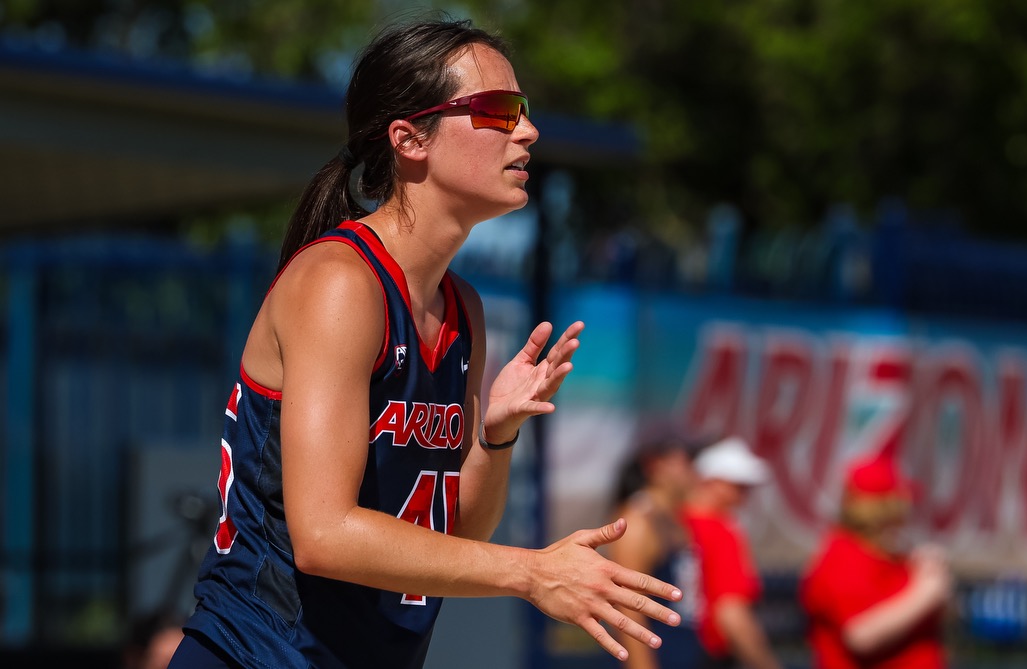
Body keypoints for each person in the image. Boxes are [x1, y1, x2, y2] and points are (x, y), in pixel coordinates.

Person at [169, 17, 682, 669]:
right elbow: (324, 534)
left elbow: (457, 535)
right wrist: (531, 572)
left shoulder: (461, 308)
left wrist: (495, 437)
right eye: (499, 111)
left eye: (524, 110)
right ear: (410, 139)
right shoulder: (340, 284)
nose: (528, 131)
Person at [798, 453, 951, 669]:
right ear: (886, 507)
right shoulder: (843, 556)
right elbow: (861, 636)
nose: (906, 509)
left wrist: (929, 571)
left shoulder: (889, 554)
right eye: (901, 500)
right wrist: (926, 594)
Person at [605, 421, 709, 669]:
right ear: (655, 464)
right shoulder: (637, 522)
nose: (696, 468)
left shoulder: (672, 517)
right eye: (688, 458)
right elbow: (626, 610)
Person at [682, 436, 784, 669]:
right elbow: (731, 613)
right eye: (738, 484)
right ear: (711, 481)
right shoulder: (722, 531)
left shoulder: (673, 522)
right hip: (709, 658)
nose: (745, 492)